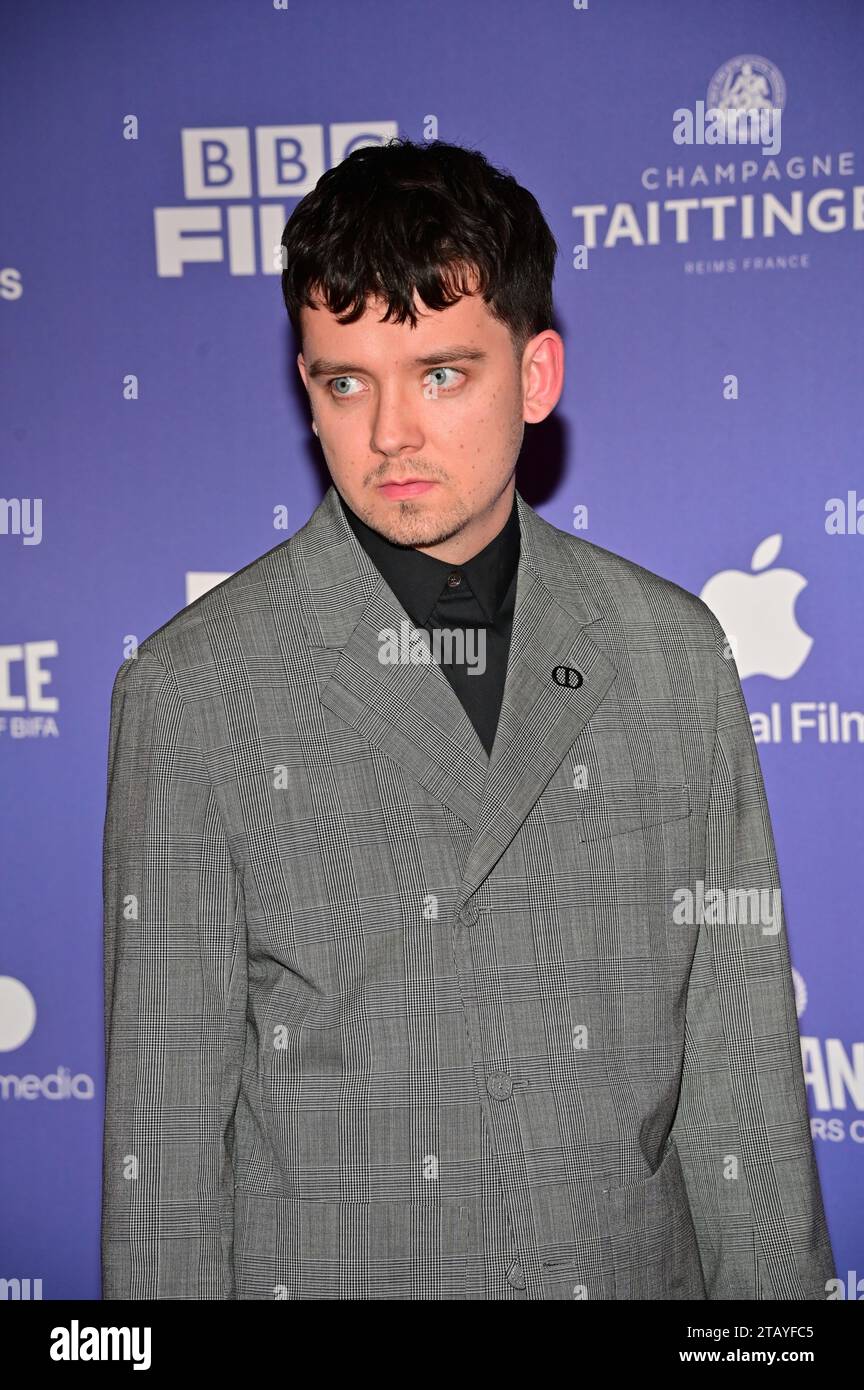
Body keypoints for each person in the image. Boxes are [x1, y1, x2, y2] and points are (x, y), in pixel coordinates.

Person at [101, 137, 835, 1300]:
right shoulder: (197, 691)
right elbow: (166, 1155)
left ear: (537, 376)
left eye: (441, 373)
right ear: (307, 385)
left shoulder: (671, 655)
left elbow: (741, 1093)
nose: (391, 432)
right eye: (347, 381)